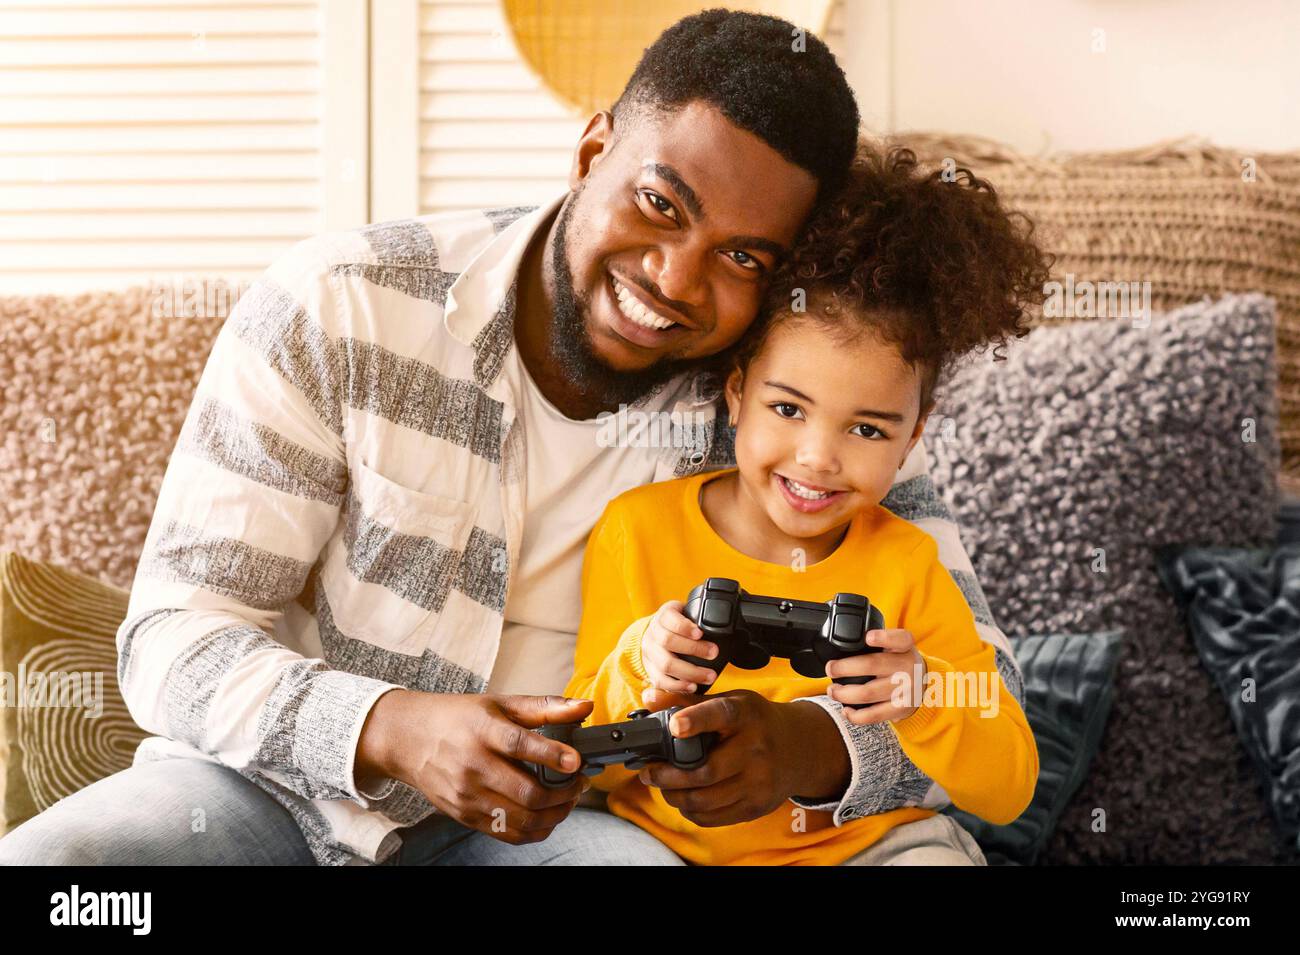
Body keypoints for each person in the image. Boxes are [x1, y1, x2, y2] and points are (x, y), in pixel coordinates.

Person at [0, 11, 1016, 867]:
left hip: (564, 829)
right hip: (268, 794)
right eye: (659, 204)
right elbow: (174, 635)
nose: (674, 277)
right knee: (62, 869)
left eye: (742, 255)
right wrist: (390, 726)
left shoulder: (794, 399)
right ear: (591, 150)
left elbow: (984, 701)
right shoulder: (341, 307)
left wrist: (817, 751)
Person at [553, 143, 1049, 865]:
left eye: (867, 428)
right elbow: (586, 747)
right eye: (788, 408)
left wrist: (927, 695)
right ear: (736, 393)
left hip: (867, 850)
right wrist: (642, 666)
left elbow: (1010, 786)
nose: (819, 457)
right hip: (666, 848)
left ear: (914, 436)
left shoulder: (908, 562)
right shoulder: (640, 528)